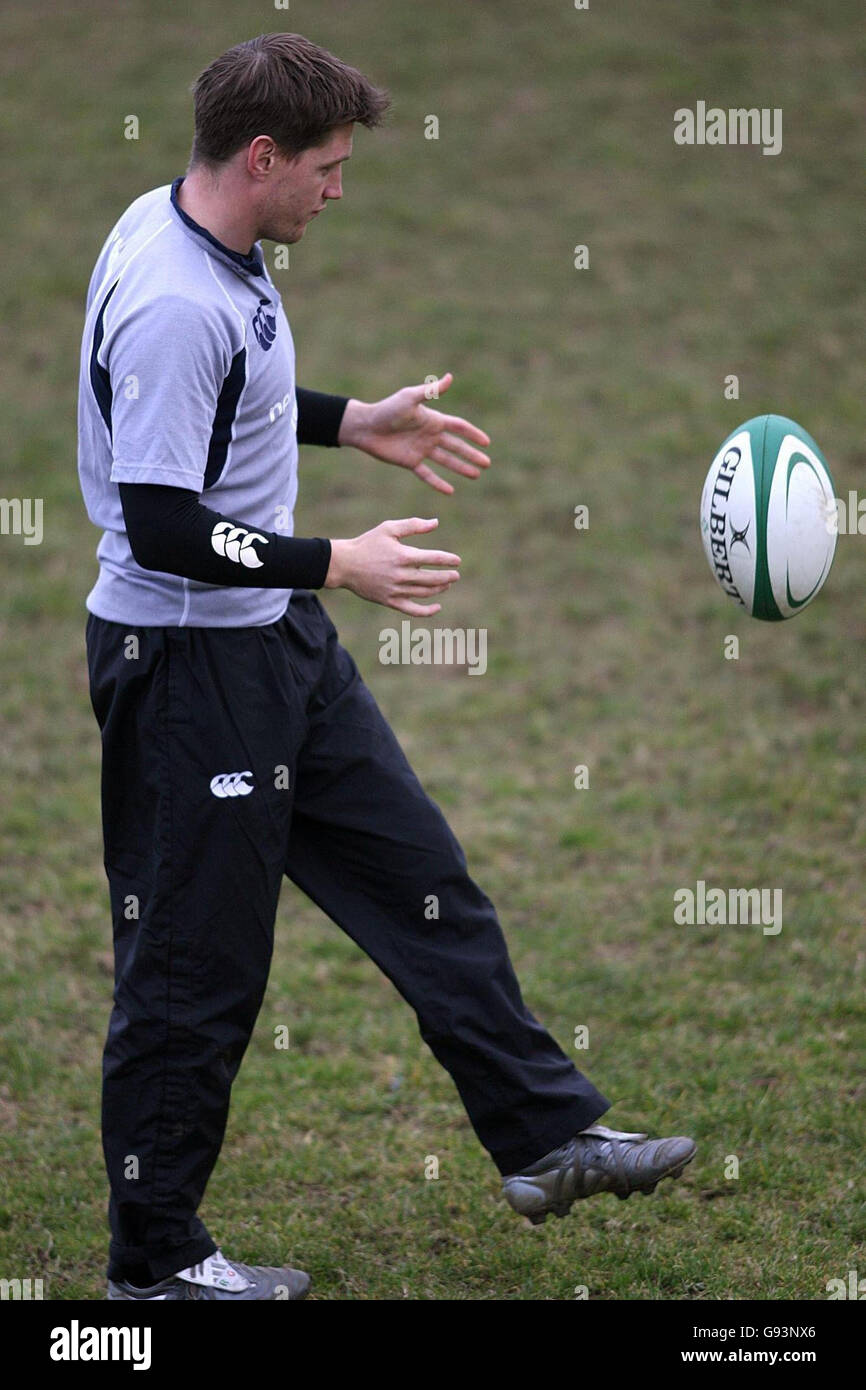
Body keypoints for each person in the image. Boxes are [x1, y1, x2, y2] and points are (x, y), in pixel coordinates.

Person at [77, 32, 696, 1302]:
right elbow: (160, 521)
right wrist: (330, 561)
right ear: (263, 155)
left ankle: (546, 1135)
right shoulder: (171, 294)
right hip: (190, 671)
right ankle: (153, 1264)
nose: (338, 189)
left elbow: (225, 393)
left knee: (423, 880)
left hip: (273, 649)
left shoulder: (192, 226)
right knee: (192, 975)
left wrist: (347, 420)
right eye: (327, 166)